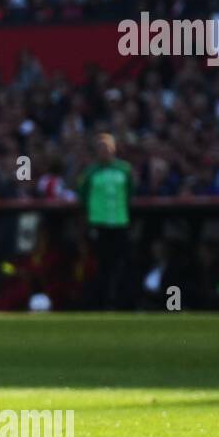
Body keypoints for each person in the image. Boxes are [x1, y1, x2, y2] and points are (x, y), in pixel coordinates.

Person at [77, 132, 134, 309]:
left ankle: (119, 301)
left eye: (107, 147)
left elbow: (130, 192)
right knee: (101, 265)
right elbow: (83, 196)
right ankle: (100, 302)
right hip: (99, 223)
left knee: (121, 264)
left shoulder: (124, 169)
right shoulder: (90, 172)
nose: (104, 151)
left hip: (119, 222)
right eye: (100, 148)